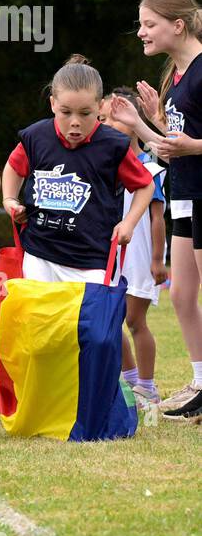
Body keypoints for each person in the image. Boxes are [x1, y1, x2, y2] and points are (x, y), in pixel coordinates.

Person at [106, 0, 202, 420]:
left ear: (177, 25)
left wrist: (192, 146)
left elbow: (189, 146)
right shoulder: (176, 77)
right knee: (182, 295)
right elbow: (169, 149)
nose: (141, 33)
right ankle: (200, 382)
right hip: (186, 196)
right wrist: (142, 125)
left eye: (149, 24)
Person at [0, 56, 153, 283]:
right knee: (41, 318)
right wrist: (9, 199)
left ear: (100, 107)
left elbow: (145, 184)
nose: (75, 122)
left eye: (85, 113)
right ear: (52, 104)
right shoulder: (36, 137)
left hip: (90, 260)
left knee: (82, 319)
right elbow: (14, 166)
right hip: (38, 253)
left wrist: (128, 223)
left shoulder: (113, 146)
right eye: (65, 112)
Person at [102, 87, 167, 406]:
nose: (111, 124)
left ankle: (147, 385)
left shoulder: (151, 166)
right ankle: (128, 381)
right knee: (111, 320)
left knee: (134, 320)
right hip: (113, 256)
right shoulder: (104, 165)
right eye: (106, 118)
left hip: (139, 256)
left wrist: (158, 260)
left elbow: (157, 218)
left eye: (118, 118)